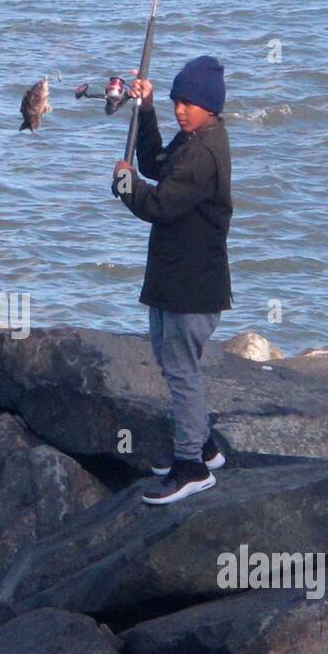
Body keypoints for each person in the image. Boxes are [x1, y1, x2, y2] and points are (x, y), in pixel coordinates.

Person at [113, 55, 233, 504]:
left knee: (181, 370)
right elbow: (155, 162)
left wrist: (127, 188)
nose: (181, 109)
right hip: (171, 277)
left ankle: (191, 466)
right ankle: (201, 443)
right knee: (170, 360)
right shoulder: (191, 140)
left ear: (212, 107)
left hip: (193, 285)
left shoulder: (204, 153)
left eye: (190, 104)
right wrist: (145, 110)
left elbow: (161, 204)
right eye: (176, 101)